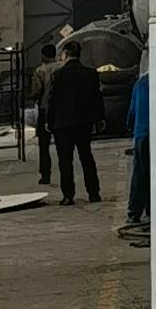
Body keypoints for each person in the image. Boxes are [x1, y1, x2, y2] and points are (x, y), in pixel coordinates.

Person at [41, 35, 101, 205]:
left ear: (65, 54)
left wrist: (48, 121)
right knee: (86, 157)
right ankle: (94, 193)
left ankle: (68, 195)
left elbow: (52, 100)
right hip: (83, 122)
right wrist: (99, 118)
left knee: (65, 161)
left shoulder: (58, 75)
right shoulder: (90, 74)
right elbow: (96, 98)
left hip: (62, 124)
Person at [120, 56, 150, 242]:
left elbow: (132, 112)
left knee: (140, 175)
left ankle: (134, 214)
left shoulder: (140, 84)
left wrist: (132, 128)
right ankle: (152, 211)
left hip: (142, 133)